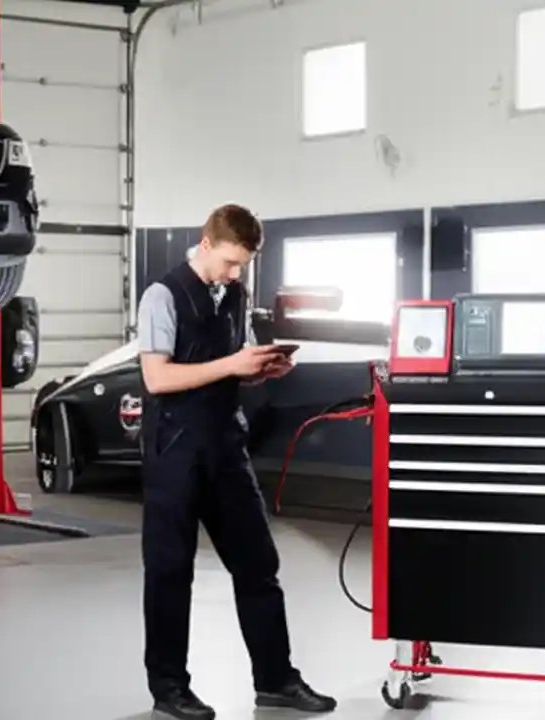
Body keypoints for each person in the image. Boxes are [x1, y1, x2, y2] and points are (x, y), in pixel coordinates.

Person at [137, 203, 337, 719]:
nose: (235, 273)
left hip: (225, 447)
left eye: (242, 266)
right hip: (174, 451)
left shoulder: (235, 295)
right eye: (229, 262)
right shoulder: (162, 296)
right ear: (206, 243)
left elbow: (226, 369)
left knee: (258, 565)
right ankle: (169, 688)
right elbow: (157, 379)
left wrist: (258, 371)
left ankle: (275, 679)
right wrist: (232, 363)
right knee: (169, 572)